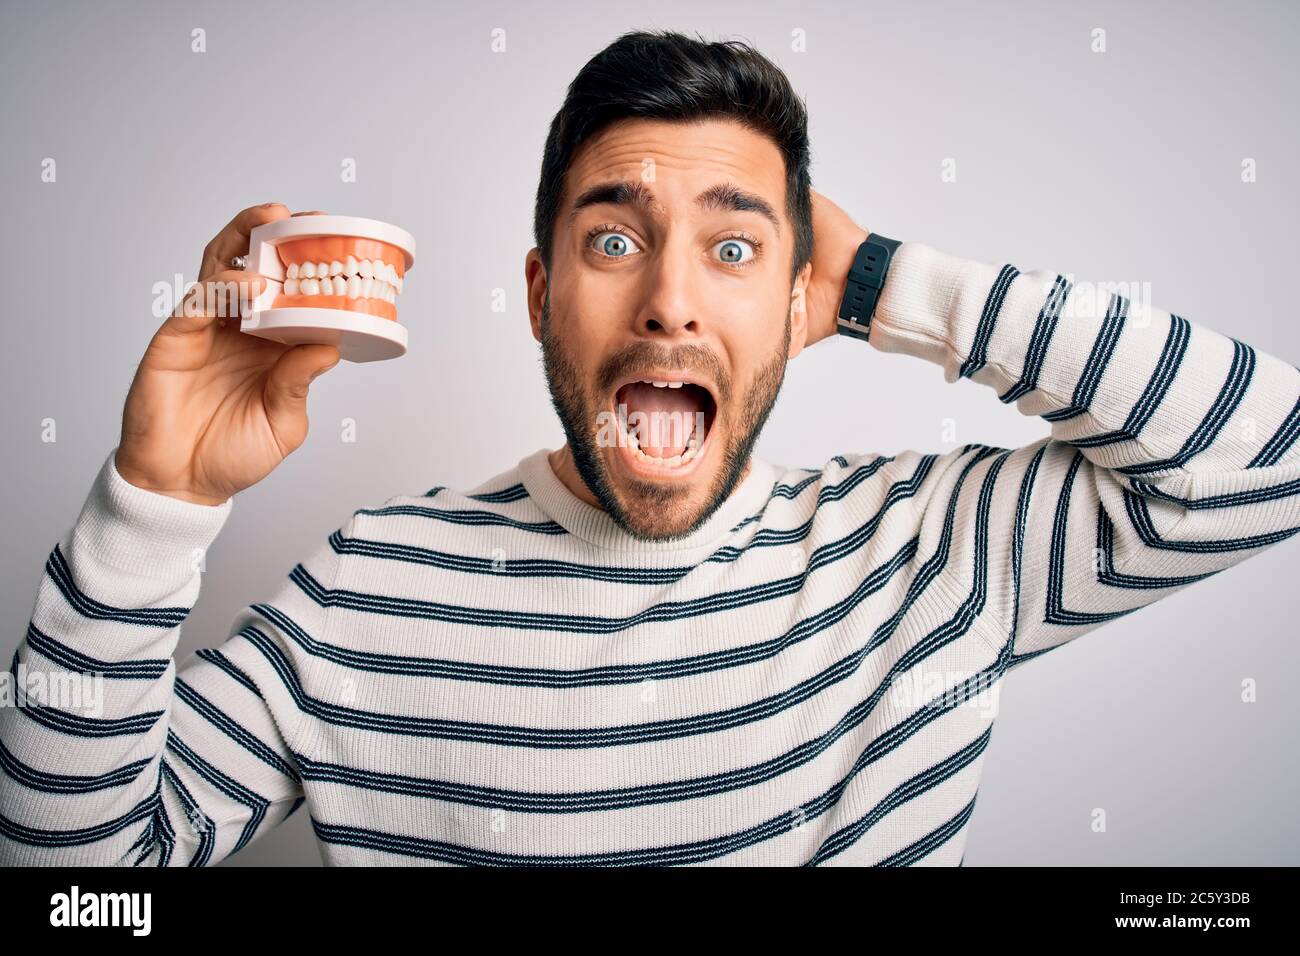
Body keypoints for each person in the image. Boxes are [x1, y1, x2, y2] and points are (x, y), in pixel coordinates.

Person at [2, 29, 1297, 867]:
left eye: (733, 249)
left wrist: (881, 276)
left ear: (801, 306)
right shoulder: (368, 590)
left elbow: (1264, 461)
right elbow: (78, 896)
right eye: (614, 240)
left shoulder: (927, 556)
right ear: (538, 293)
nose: (672, 300)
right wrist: (152, 506)